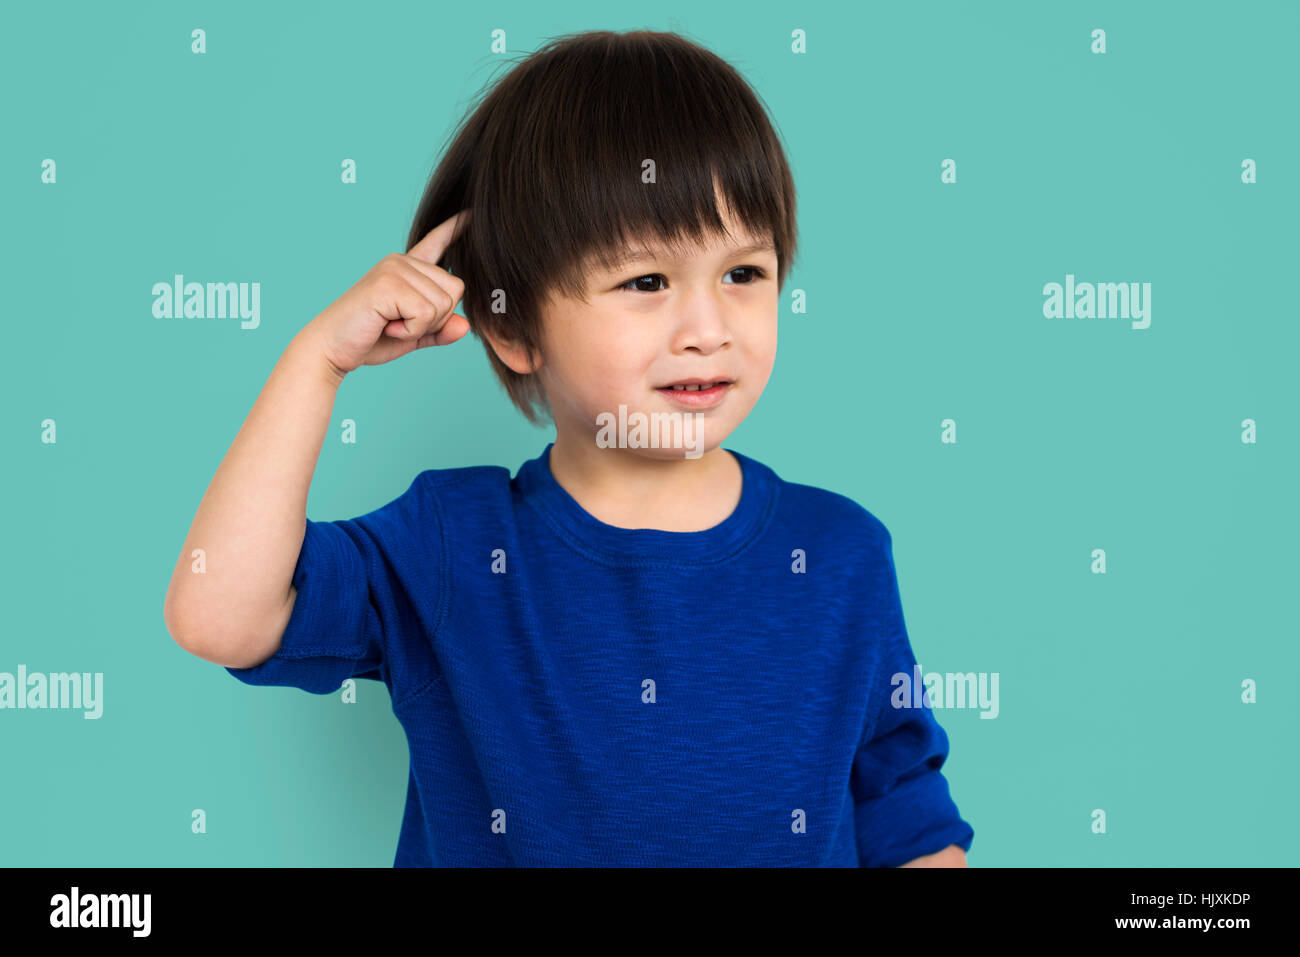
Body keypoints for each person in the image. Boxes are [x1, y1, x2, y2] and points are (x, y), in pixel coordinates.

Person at [163, 28, 974, 868]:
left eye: (743, 274)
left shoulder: (842, 553)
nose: (708, 330)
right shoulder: (452, 546)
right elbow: (218, 613)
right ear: (513, 324)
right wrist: (316, 363)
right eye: (646, 282)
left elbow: (903, 811)